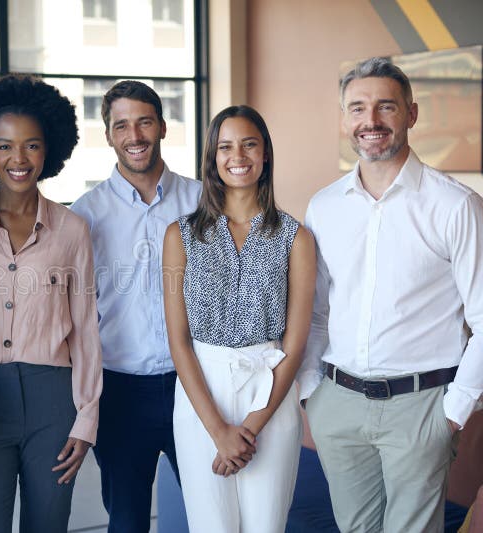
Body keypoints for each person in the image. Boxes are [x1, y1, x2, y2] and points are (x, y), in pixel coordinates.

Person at [299, 56, 483, 532]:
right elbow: (316, 313)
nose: (371, 121)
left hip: (422, 406)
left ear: (411, 114)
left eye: (386, 107)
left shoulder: (455, 205)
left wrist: (454, 411)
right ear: (345, 120)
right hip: (338, 402)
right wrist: (311, 393)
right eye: (357, 109)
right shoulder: (323, 207)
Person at [0, 74, 102, 533]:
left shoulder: (73, 229)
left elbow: (86, 329)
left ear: (49, 149)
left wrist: (86, 420)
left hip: (54, 403)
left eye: (31, 145)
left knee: (49, 525)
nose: (18, 159)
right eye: (4, 146)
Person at [162, 105, 315, 532]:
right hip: (200, 396)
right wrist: (218, 431)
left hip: (269, 392)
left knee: (266, 526)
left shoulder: (296, 237)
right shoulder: (180, 235)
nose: (238, 156)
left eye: (249, 144)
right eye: (225, 147)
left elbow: (296, 344)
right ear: (212, 159)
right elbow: (179, 341)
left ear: (265, 153)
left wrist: (249, 427)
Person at [70, 80, 201, 533]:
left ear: (162, 126)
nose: (135, 135)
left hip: (195, 386)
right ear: (107, 135)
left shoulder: (204, 202)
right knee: (126, 522)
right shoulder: (83, 215)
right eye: (121, 125)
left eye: (144, 121)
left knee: (217, 513)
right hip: (120, 393)